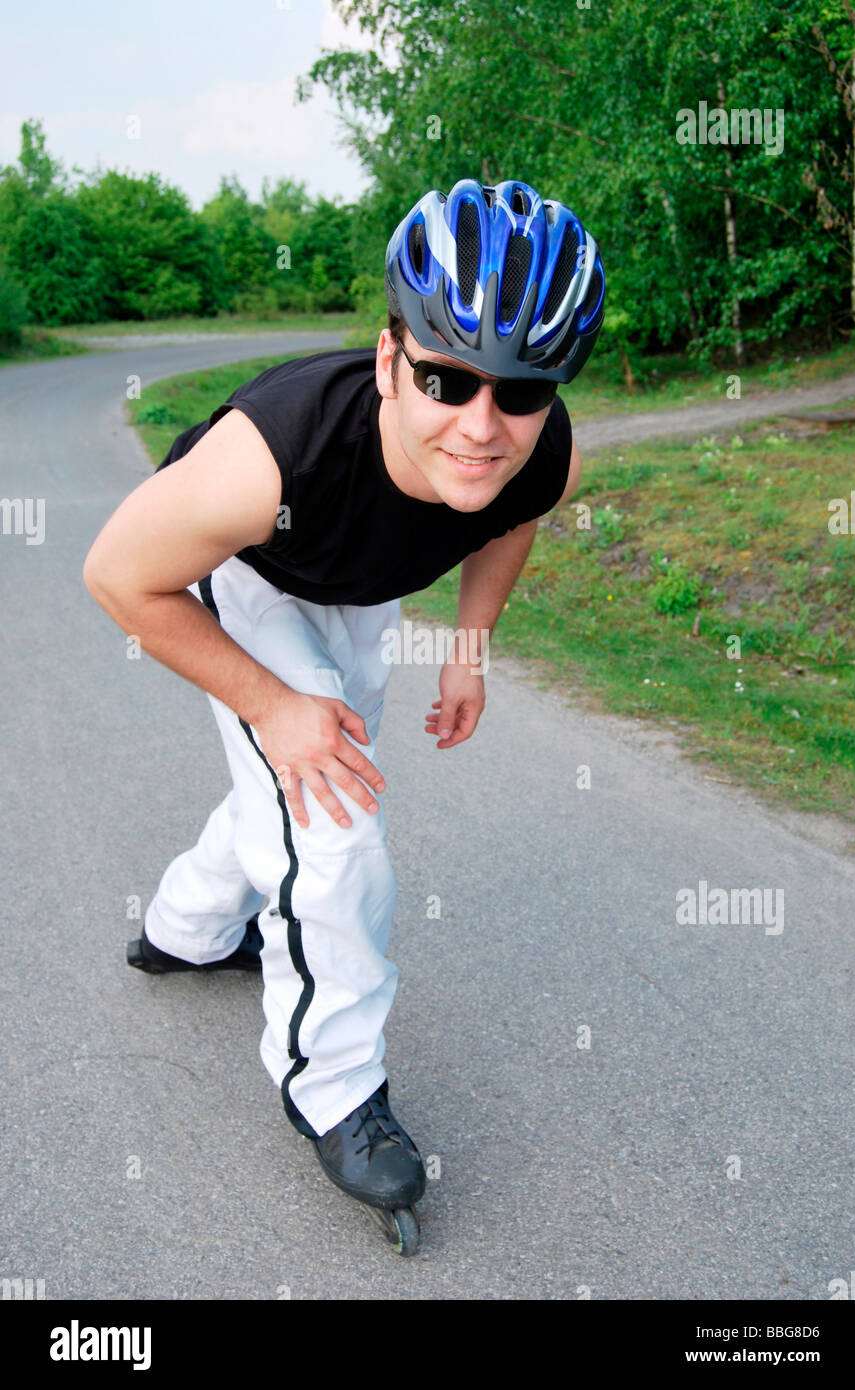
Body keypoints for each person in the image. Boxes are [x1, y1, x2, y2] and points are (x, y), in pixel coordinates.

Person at [82, 176, 605, 1252]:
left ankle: (183, 928)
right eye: (446, 378)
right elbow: (120, 576)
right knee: (335, 826)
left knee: (294, 787)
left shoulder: (537, 450)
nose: (481, 424)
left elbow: (512, 519)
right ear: (387, 360)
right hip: (247, 571)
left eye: (521, 391)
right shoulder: (270, 455)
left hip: (361, 588)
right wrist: (272, 704)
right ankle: (332, 1088)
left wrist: (469, 646)